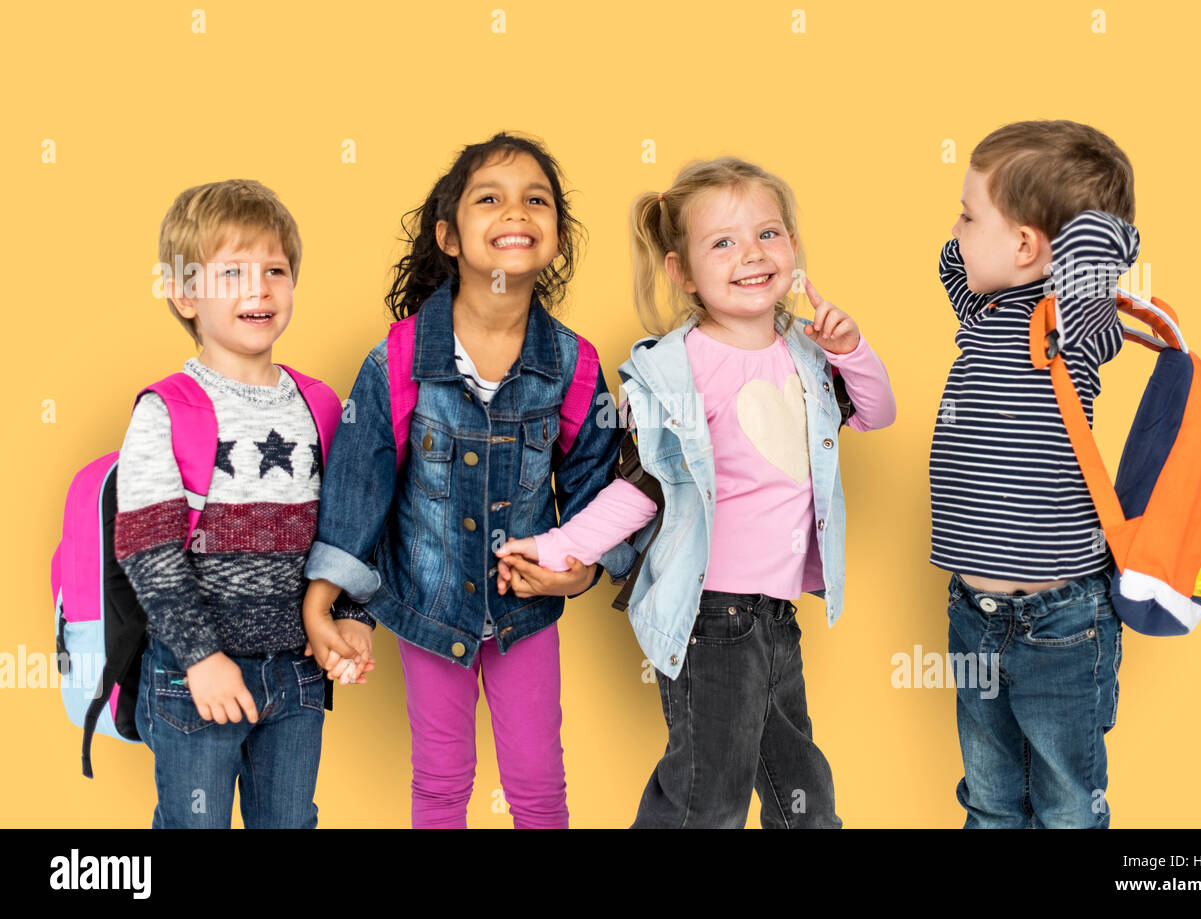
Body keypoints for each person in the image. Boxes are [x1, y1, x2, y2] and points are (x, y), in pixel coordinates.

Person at [495, 156, 896, 827]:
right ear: (682, 272)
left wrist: (851, 349)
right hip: (712, 618)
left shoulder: (807, 353)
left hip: (775, 615)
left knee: (802, 790)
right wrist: (561, 545)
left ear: (793, 245)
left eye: (768, 233)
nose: (752, 254)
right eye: (723, 243)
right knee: (705, 796)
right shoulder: (677, 371)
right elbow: (642, 489)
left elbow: (876, 412)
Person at [301, 133, 634, 828]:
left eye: (536, 200)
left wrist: (578, 571)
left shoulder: (573, 364)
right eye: (490, 198)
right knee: (442, 779)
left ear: (557, 239)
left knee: (538, 783)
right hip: (427, 608)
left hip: (525, 612)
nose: (516, 211)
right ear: (449, 236)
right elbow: (359, 487)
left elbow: (596, 486)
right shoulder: (398, 359)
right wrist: (323, 601)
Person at [117, 179, 371, 828]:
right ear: (184, 295)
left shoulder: (320, 406)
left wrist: (351, 617)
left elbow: (351, 527)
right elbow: (148, 551)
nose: (258, 289)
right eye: (231, 272)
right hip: (193, 677)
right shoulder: (166, 410)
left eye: (274, 270)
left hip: (297, 675)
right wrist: (201, 657)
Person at [933, 120, 1140, 827]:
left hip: (1061, 622)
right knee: (990, 800)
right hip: (974, 612)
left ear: (1028, 245)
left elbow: (1102, 244)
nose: (955, 230)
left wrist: (1062, 216)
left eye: (967, 215)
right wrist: (986, 232)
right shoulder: (986, 310)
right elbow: (952, 264)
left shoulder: (1073, 323)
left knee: (1067, 808)